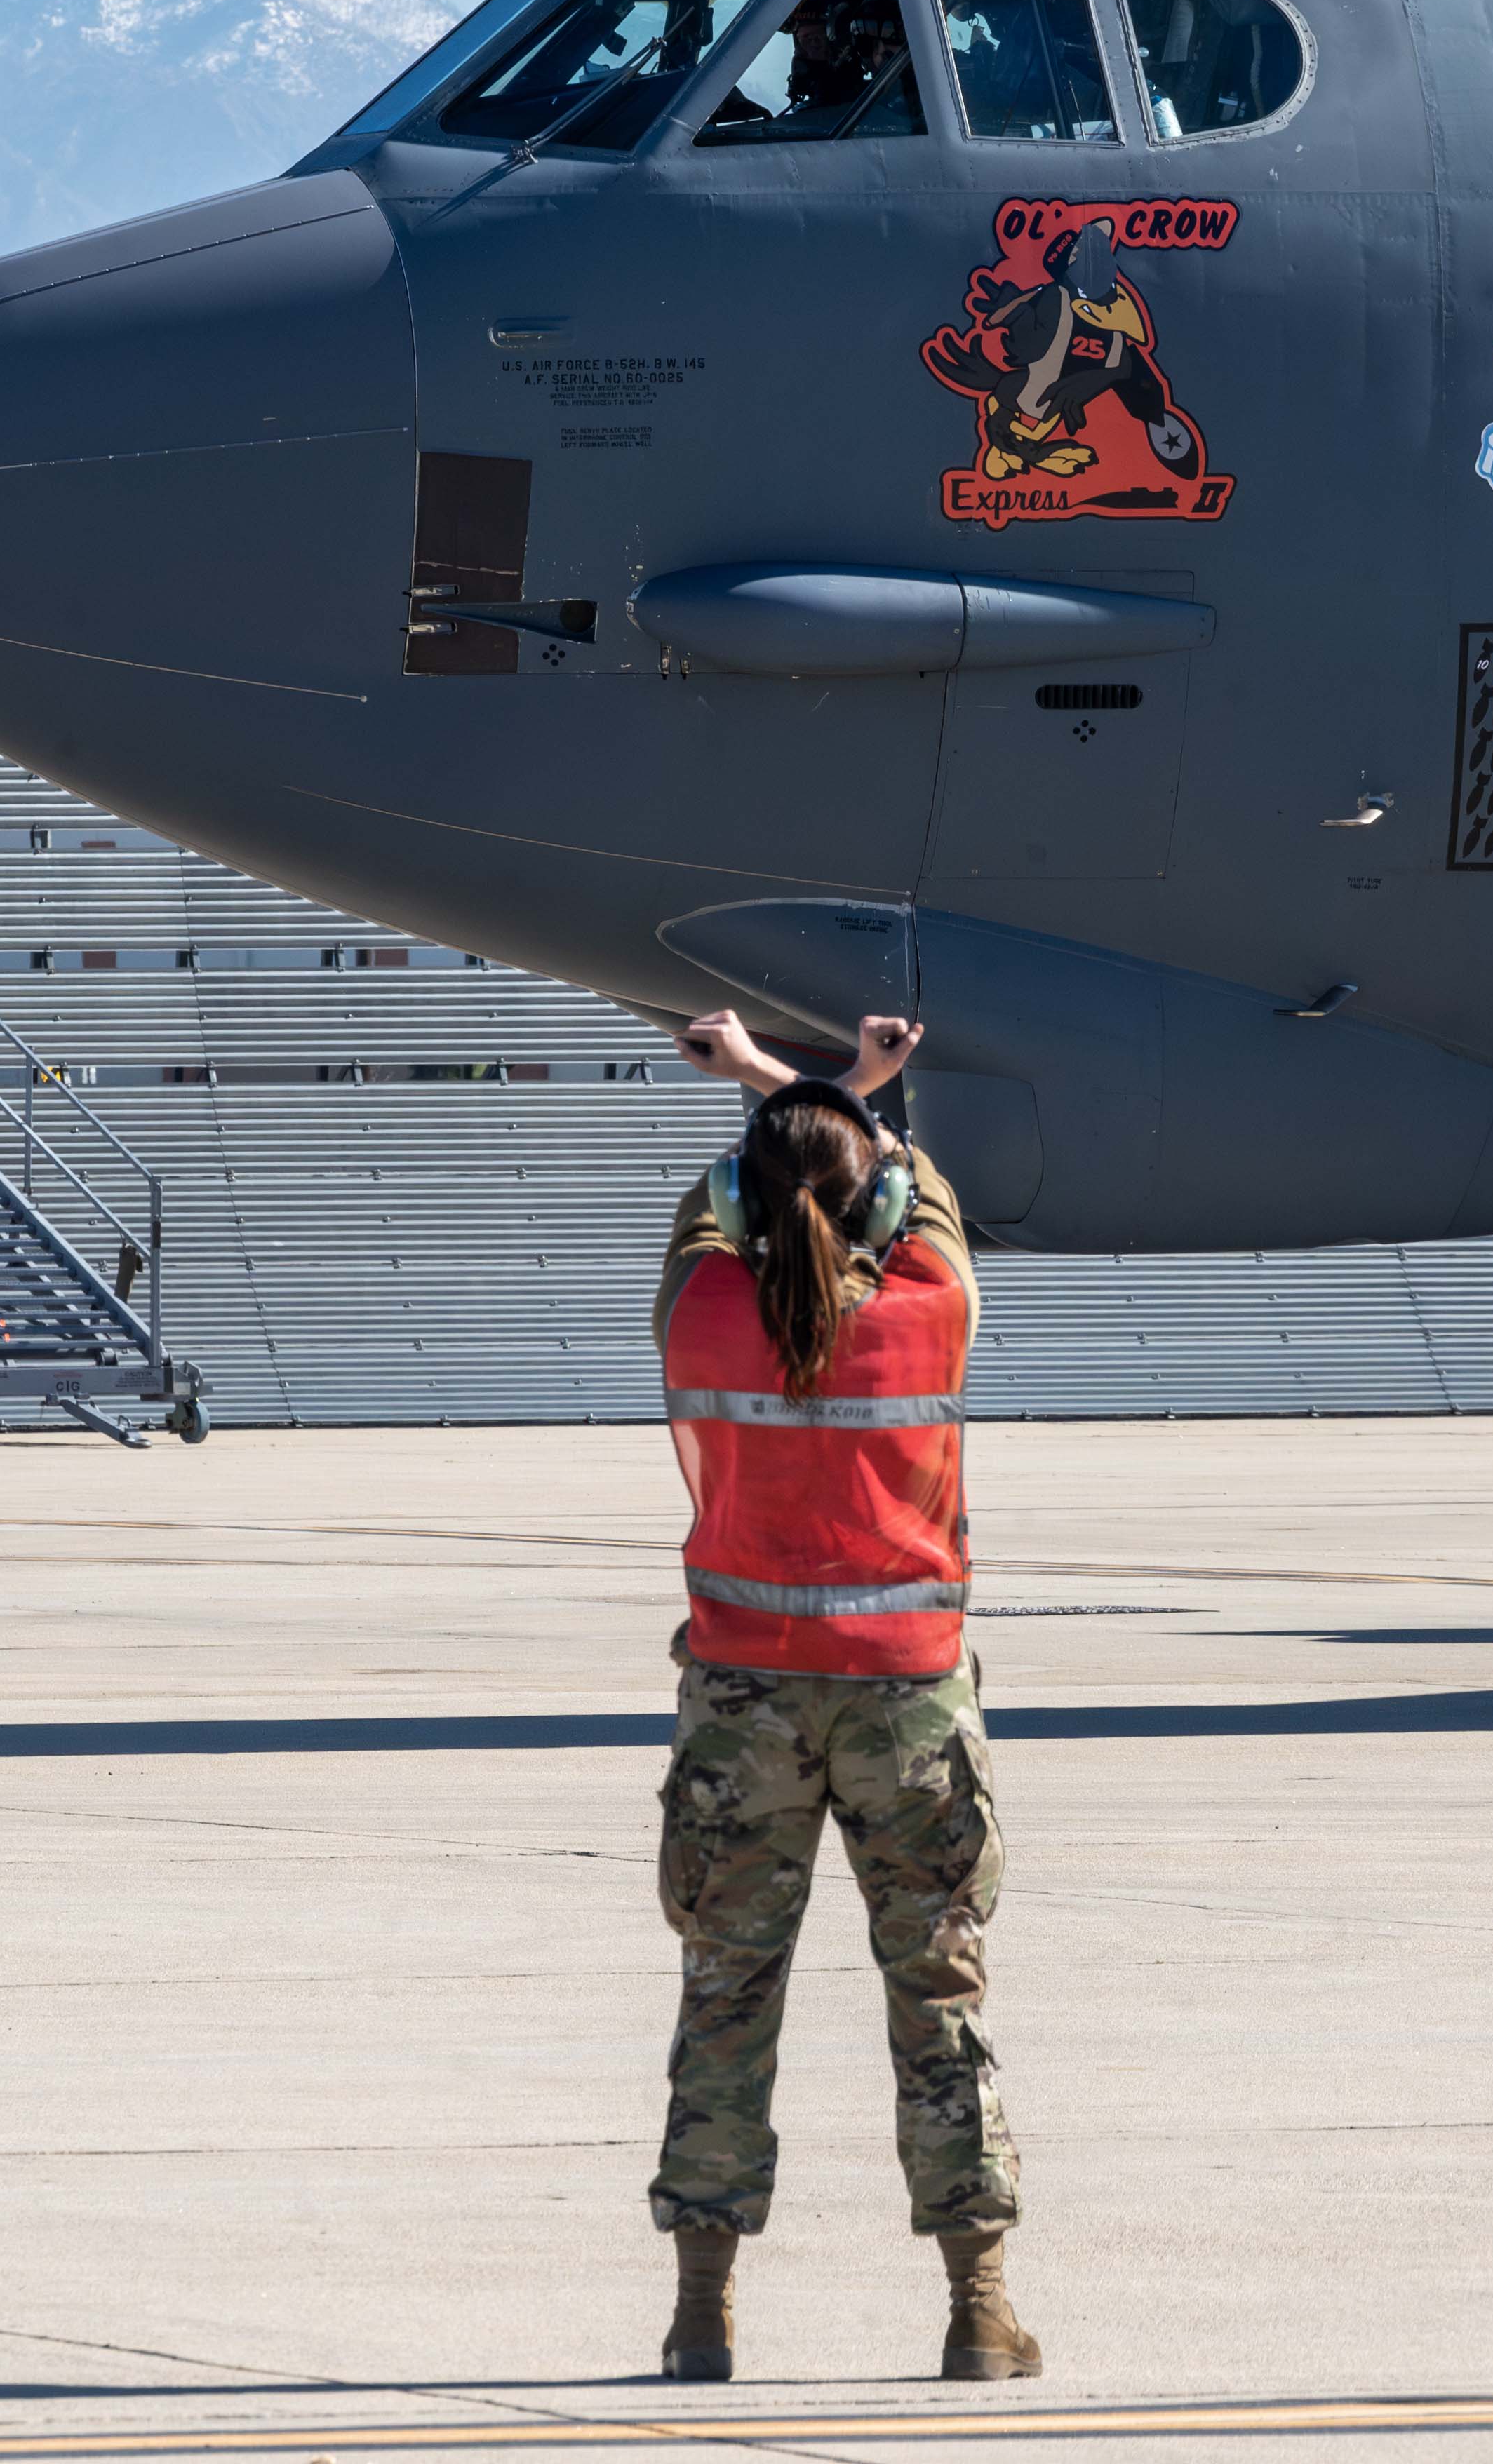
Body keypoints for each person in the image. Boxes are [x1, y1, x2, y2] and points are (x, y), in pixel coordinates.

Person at [647, 1007, 1037, 2385]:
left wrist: (765, 1086)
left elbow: (731, 1197)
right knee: (939, 1998)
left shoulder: (701, 1310)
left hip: (744, 1701)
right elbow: (904, 1186)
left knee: (726, 1991)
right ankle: (979, 2308)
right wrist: (851, 1085)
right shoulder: (932, 1302)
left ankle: (703, 2311)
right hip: (907, 1704)